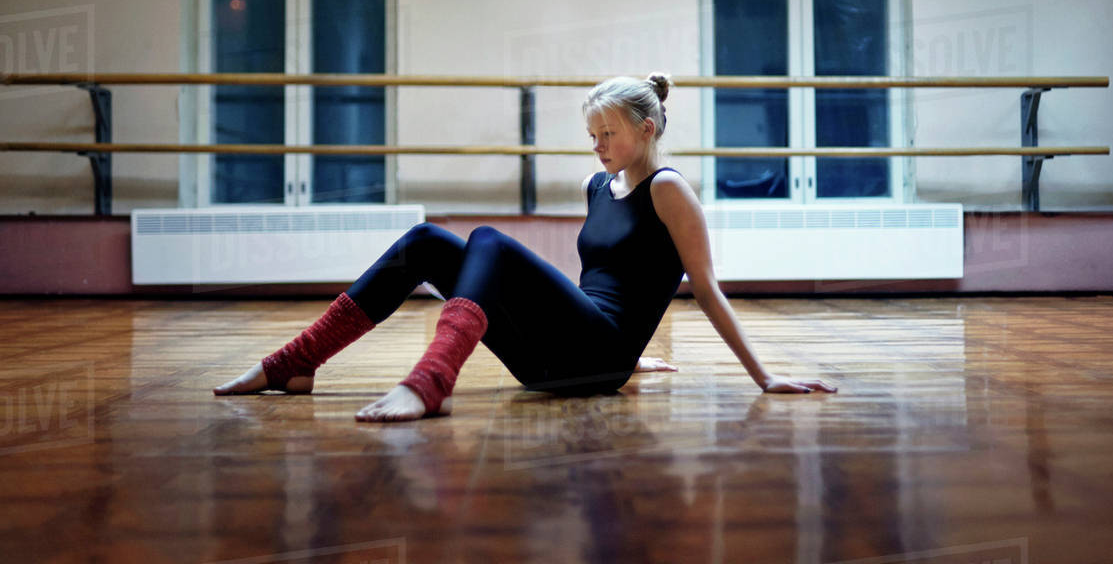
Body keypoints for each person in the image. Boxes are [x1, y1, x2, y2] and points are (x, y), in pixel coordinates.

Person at [214, 72, 836, 421]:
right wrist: (634, 350)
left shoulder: (670, 190)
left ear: (646, 130)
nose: (596, 146)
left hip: (598, 361)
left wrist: (765, 377)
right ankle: (298, 360)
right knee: (430, 240)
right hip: (563, 356)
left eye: (608, 134)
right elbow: (607, 281)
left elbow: (704, 288)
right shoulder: (602, 184)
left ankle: (432, 380)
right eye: (591, 134)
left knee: (488, 239)